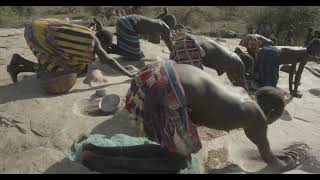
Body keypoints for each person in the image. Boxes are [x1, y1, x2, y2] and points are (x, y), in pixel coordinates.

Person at [80, 60, 301, 173]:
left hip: (157, 71)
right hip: (169, 89)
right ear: (270, 112)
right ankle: (96, 160)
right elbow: (269, 159)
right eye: (273, 119)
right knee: (178, 161)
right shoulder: (257, 117)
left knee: (174, 148)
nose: (268, 124)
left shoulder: (241, 94)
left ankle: (95, 150)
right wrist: (287, 164)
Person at [6, 18, 133, 85]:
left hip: (40, 25)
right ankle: (17, 67)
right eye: (107, 47)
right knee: (57, 69)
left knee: (76, 65)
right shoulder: (93, 42)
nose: (106, 50)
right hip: (38, 33)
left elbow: (75, 51)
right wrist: (129, 75)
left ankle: (19, 63)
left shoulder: (89, 32)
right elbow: (108, 60)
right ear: (103, 42)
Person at [253, 38, 320, 98]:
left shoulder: (300, 49)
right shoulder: (306, 55)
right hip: (273, 54)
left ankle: (257, 91)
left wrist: (291, 90)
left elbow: (292, 71)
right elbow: (298, 74)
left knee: (261, 74)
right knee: (271, 84)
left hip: (266, 49)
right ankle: (265, 100)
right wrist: (295, 92)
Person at [105, 15, 173, 60]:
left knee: (136, 53)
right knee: (137, 56)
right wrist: (174, 56)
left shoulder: (158, 22)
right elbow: (171, 47)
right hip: (129, 24)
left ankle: (107, 45)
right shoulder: (165, 27)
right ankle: (107, 49)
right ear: (171, 23)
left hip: (123, 21)